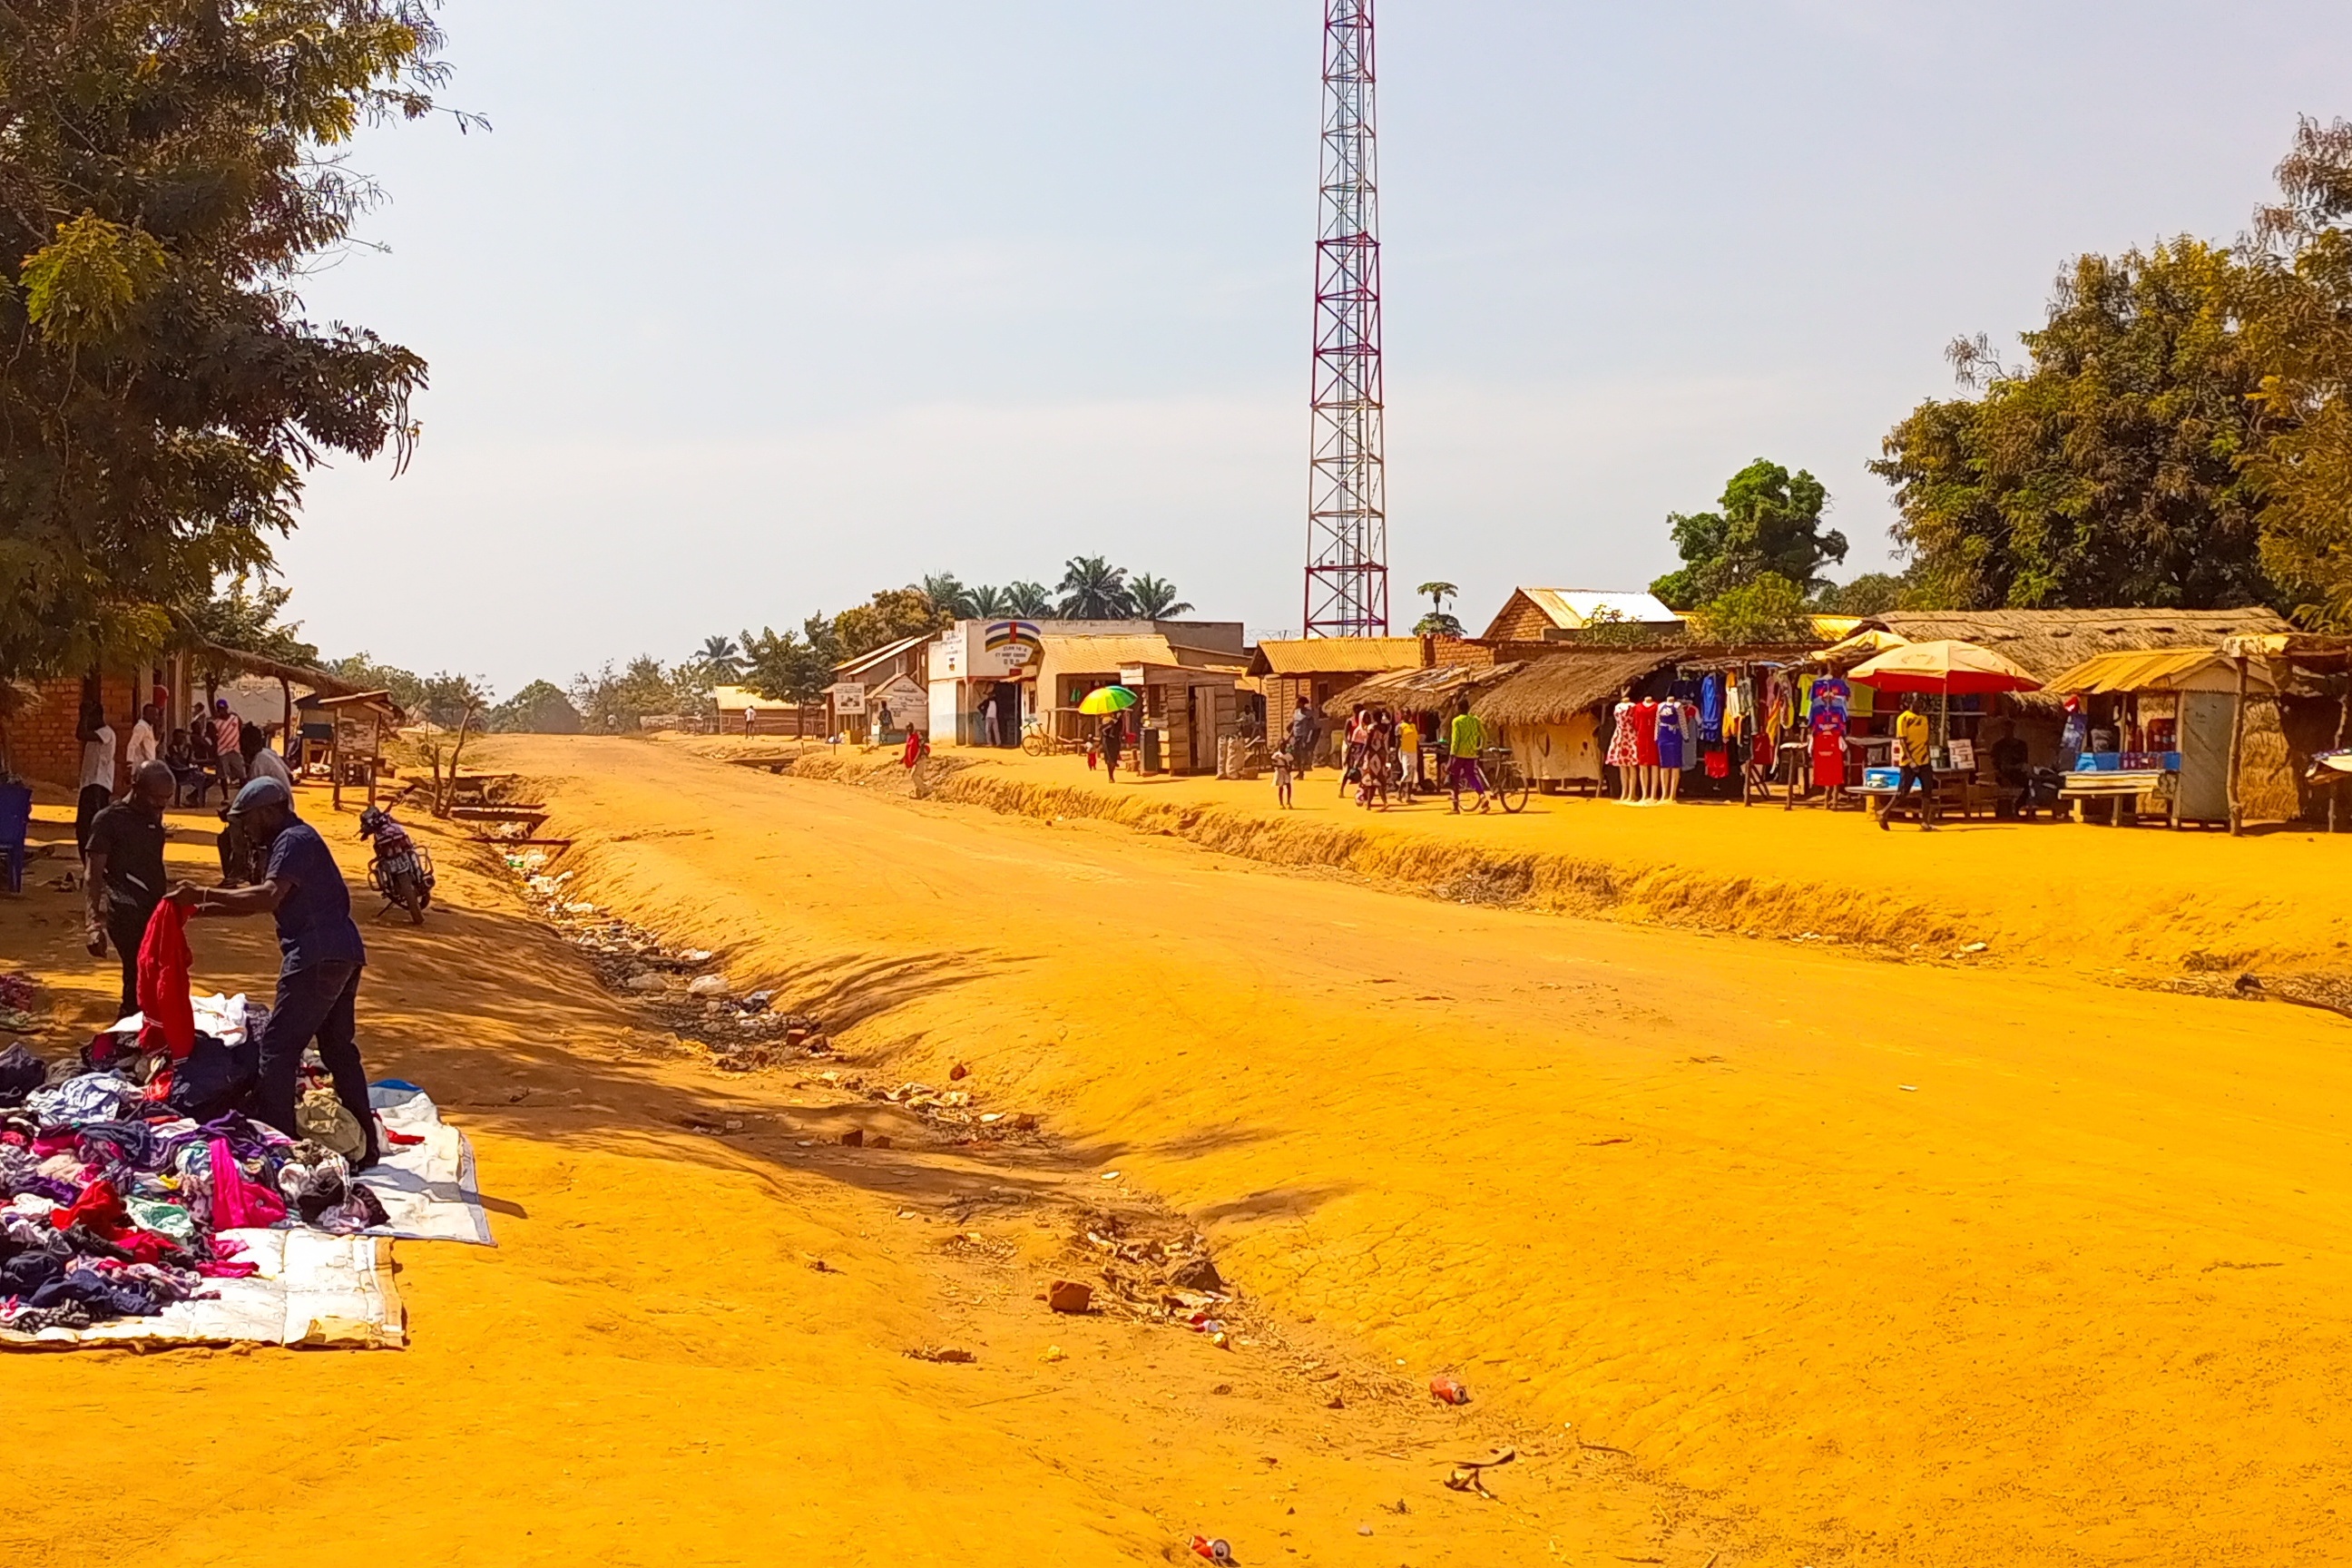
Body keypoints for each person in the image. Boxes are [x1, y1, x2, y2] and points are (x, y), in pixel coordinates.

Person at [167, 776, 379, 1169]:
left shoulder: (292, 841)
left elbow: (267, 897)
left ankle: (280, 1147)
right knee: (338, 1049)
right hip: (343, 952)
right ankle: (368, 1147)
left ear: (267, 812)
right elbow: (259, 902)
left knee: (278, 1049)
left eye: (247, 820)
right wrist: (197, 911)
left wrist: (201, 894)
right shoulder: (296, 840)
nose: (246, 829)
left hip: (315, 955)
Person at [84, 761, 176, 1021]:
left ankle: (143, 1026)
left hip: (155, 911)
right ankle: (128, 1027)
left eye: (166, 798)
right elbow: (92, 875)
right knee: (137, 976)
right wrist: (92, 924)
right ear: (136, 788)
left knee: (155, 976)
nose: (161, 805)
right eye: (156, 797)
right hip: (125, 910)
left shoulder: (152, 815)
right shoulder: (108, 821)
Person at [1881, 696, 1936, 831]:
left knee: (1928, 790)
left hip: (1924, 761)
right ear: (1909, 702)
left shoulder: (1924, 719)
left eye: (1921, 701)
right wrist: (1911, 761)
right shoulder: (1903, 718)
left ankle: (1924, 822)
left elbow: (1926, 740)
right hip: (1908, 762)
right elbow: (1902, 741)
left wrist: (1928, 757)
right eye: (1917, 701)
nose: (1920, 704)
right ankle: (1884, 813)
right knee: (1903, 792)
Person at [75, 700, 117, 858]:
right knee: (83, 827)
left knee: (93, 825)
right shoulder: (96, 736)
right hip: (89, 785)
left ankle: (97, 861)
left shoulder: (106, 733)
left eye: (89, 718)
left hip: (98, 785)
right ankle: (88, 862)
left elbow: (80, 734)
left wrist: (84, 715)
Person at [1447, 704, 1488, 814]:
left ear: (1459, 709)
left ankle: (1455, 806)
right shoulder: (1475, 720)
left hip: (1459, 754)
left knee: (1455, 778)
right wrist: (1481, 747)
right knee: (1471, 776)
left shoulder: (1457, 721)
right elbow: (1484, 735)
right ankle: (1482, 797)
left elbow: (1455, 740)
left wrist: (1452, 755)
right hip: (1471, 754)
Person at [211, 701, 248, 791]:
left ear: (227, 708)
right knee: (223, 776)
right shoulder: (216, 723)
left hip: (235, 750)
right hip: (222, 751)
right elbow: (214, 738)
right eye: (220, 709)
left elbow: (240, 729)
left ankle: (244, 793)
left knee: (242, 774)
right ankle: (226, 797)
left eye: (223, 709)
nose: (222, 711)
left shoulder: (235, 718)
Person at [1287, 699, 1318, 778]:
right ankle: (1297, 770)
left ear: (1302, 703)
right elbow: (1294, 725)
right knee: (1294, 753)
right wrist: (1290, 736)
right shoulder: (1296, 712)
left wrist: (1308, 737)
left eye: (1298, 702)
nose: (1296, 704)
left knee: (1302, 754)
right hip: (1295, 736)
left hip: (1303, 736)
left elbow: (1312, 726)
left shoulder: (1308, 714)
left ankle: (1301, 772)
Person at [124, 703, 161, 770]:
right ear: (146, 714)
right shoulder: (141, 727)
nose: (156, 717)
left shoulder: (149, 727)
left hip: (149, 764)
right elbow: (132, 745)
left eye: (157, 715)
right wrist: (129, 762)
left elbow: (149, 746)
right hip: (142, 765)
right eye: (153, 714)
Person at [1396, 711, 1421, 800]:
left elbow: (1416, 739)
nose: (1407, 715)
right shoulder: (1400, 726)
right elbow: (1398, 741)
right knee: (1407, 772)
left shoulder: (1413, 726)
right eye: (1405, 713)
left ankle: (1408, 795)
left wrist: (1418, 749)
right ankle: (1399, 791)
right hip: (1405, 751)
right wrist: (1396, 754)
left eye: (1408, 713)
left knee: (1412, 772)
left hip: (1413, 751)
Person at [1100, 717, 1125, 783]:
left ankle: (1112, 773)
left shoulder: (1118, 720)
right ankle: (1110, 776)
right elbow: (1102, 730)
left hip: (1115, 741)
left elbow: (1120, 730)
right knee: (1109, 759)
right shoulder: (1104, 719)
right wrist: (1109, 725)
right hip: (1107, 741)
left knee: (1114, 759)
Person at [1271, 742, 1294, 809]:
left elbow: (1291, 763)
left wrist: (1289, 769)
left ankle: (1288, 802)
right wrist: (1278, 766)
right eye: (1281, 746)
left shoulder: (1288, 755)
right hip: (1280, 771)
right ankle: (1281, 803)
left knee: (1288, 785)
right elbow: (1273, 763)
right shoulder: (1276, 754)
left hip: (1286, 771)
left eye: (1284, 746)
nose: (1283, 747)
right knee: (1281, 787)